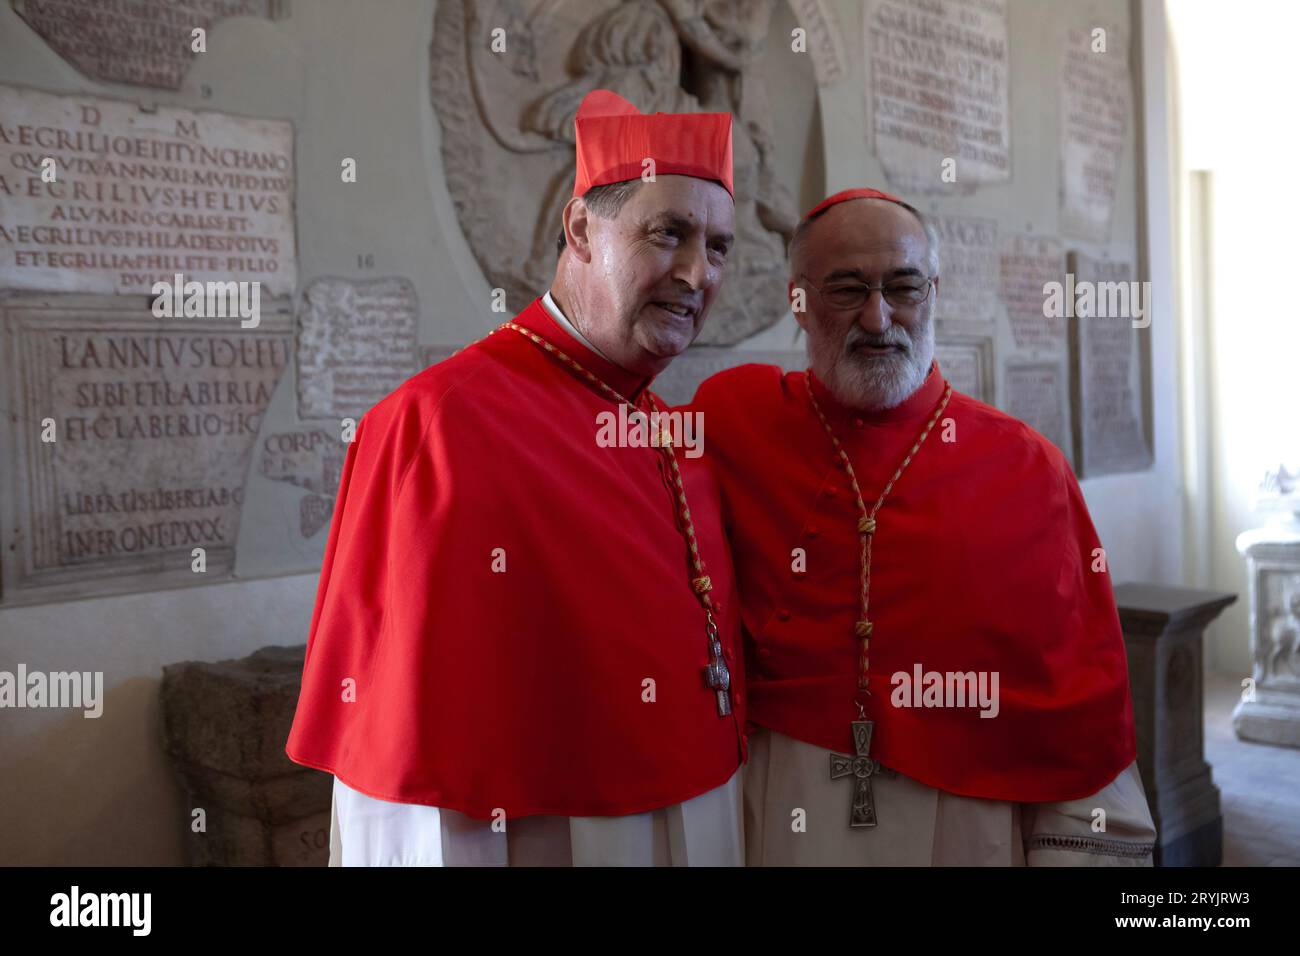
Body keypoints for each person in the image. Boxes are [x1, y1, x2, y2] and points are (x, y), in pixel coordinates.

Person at [286, 90, 746, 866]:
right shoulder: (436, 422)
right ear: (580, 230)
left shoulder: (672, 429)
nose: (699, 273)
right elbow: (404, 766)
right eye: (670, 233)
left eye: (722, 248)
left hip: (700, 809)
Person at [692, 188, 1157, 865]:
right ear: (798, 300)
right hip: (783, 812)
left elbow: (1079, 694)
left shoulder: (1027, 469)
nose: (878, 319)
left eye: (903, 287)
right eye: (846, 290)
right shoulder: (736, 423)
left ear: (934, 290)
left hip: (968, 821)